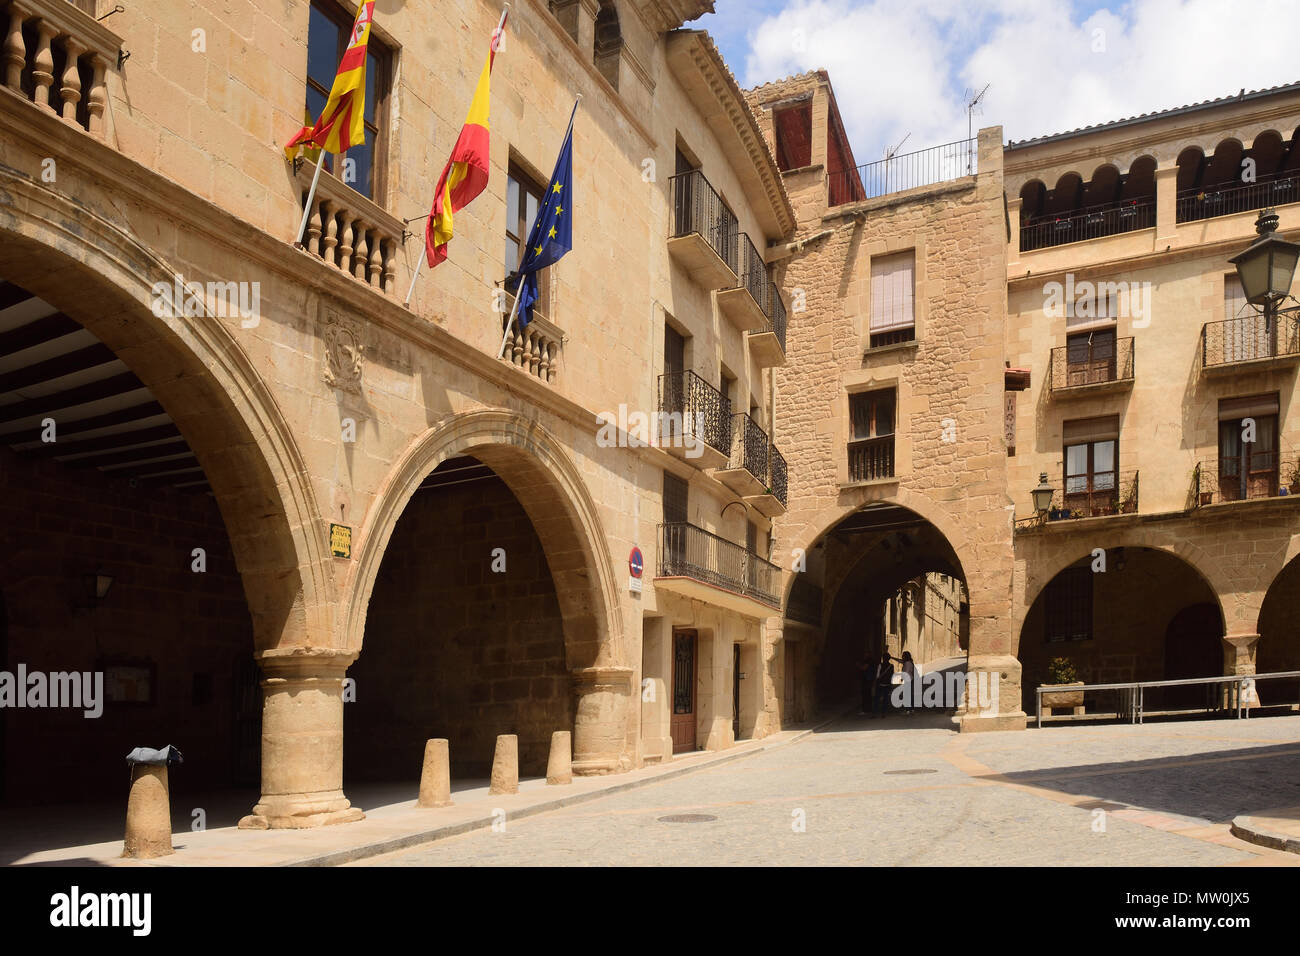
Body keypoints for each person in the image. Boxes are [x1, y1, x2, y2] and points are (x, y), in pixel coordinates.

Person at [874, 651, 895, 715]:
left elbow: (877, 675)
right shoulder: (891, 666)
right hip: (887, 684)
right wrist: (891, 683)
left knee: (877, 699)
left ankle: (875, 712)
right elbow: (892, 675)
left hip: (880, 684)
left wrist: (875, 682)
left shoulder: (880, 665)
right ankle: (883, 712)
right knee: (885, 699)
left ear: (883, 658)